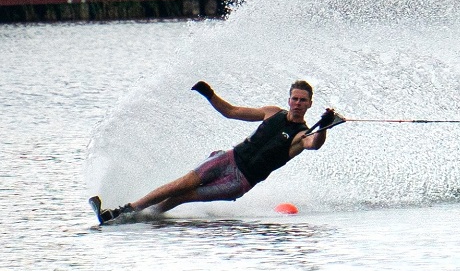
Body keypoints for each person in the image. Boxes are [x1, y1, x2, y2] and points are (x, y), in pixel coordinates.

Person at [90, 80, 341, 223]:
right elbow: (231, 111)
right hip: (228, 158)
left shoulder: (301, 135)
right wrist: (209, 94)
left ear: (310, 104)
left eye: (303, 100)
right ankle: (126, 210)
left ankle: (143, 217)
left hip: (240, 181)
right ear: (289, 100)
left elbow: (314, 144)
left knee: (184, 196)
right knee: (180, 184)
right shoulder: (271, 112)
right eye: (294, 98)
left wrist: (325, 126)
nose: (297, 103)